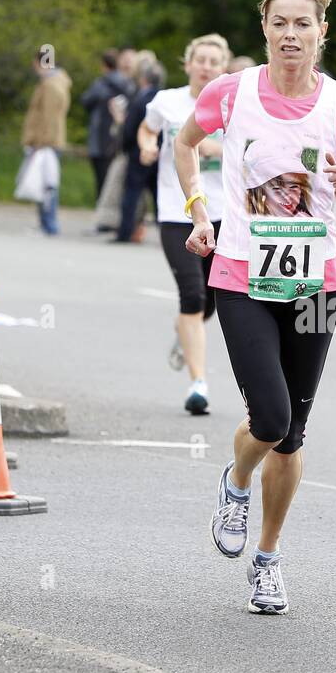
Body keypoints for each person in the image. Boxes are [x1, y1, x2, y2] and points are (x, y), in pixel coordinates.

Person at [174, 0, 336, 615]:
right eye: (280, 23)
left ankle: (267, 560)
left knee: (292, 435)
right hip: (243, 274)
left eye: (304, 24)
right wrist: (199, 212)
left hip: (314, 284)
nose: (291, 34)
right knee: (269, 416)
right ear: (263, 29)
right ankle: (237, 479)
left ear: (323, 33)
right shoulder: (230, 93)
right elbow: (184, 146)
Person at [138, 33, 231, 413]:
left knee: (214, 297)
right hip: (177, 211)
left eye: (214, 61)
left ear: (224, 68)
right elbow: (147, 127)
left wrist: (218, 149)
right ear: (188, 64)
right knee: (192, 295)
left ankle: (184, 334)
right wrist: (147, 144)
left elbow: (252, 149)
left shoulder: (233, 105)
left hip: (222, 211)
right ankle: (199, 383)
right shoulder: (168, 101)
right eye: (201, 59)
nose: (206, 66)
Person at [113, 53, 164, 243]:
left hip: (138, 154)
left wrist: (127, 148)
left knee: (131, 195)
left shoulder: (140, 99)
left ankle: (124, 232)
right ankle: (165, 233)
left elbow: (130, 128)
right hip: (159, 154)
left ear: (143, 78)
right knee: (159, 196)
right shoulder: (164, 98)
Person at [21, 48, 71, 236]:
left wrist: (41, 141)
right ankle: (45, 223)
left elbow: (49, 118)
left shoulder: (50, 85)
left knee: (46, 185)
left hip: (46, 143)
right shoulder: (55, 82)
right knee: (45, 183)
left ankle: (48, 224)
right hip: (48, 142)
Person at [81, 49, 131, 203]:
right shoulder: (128, 84)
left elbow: (86, 101)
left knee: (101, 179)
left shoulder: (101, 84)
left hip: (99, 140)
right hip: (119, 138)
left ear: (104, 65)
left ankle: (102, 212)